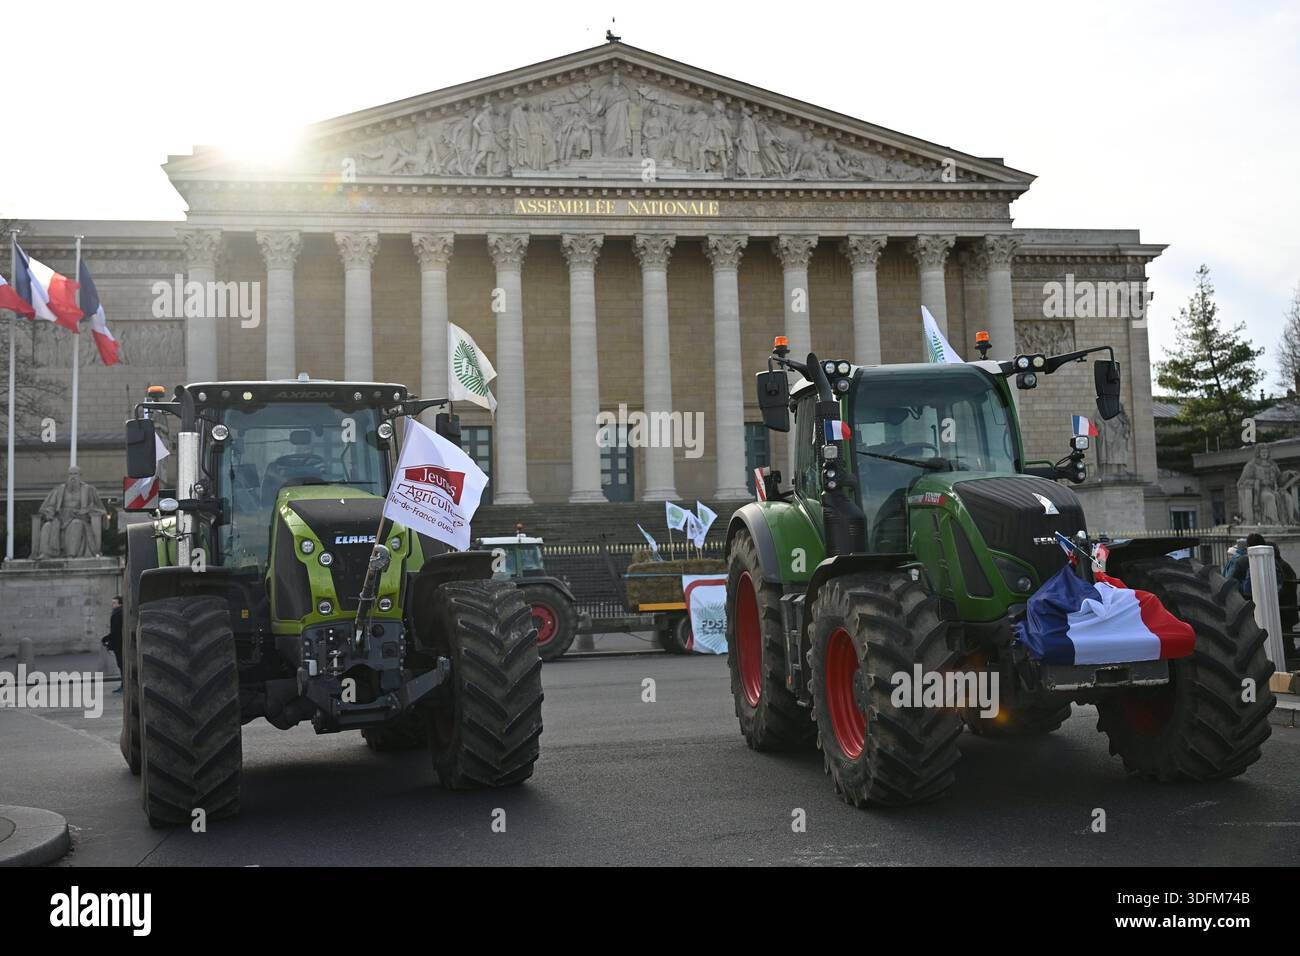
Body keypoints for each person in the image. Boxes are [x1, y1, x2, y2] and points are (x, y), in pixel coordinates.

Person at [101, 596, 123, 694]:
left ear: (120, 604)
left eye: (114, 603)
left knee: (121, 665)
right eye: (112, 603)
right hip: (119, 643)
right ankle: (123, 686)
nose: (112, 605)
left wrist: (105, 639)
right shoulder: (121, 612)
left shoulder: (117, 613)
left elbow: (115, 631)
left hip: (118, 644)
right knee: (121, 665)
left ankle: (123, 686)